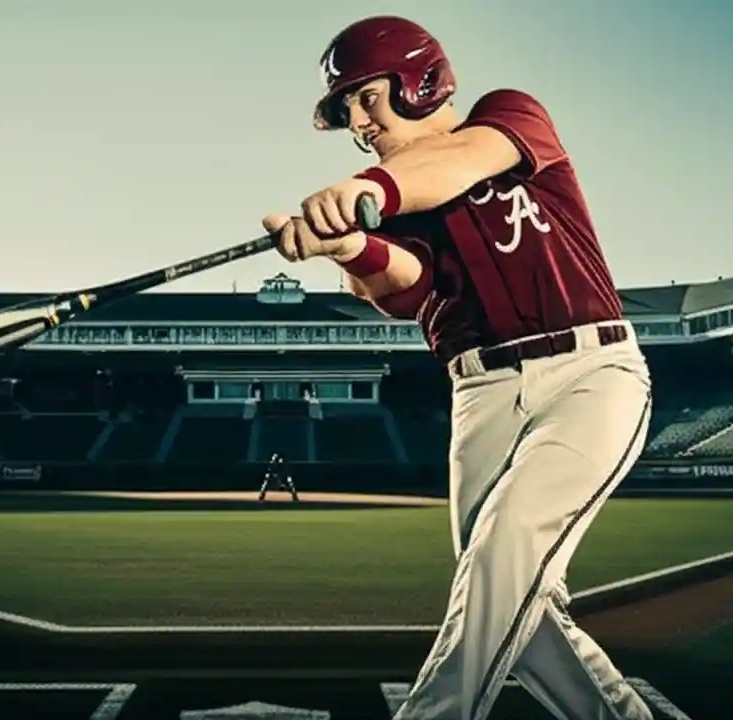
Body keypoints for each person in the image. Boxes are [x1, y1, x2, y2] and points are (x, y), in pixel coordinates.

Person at [262, 16, 655, 720]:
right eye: (346, 109)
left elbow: (453, 163)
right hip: (481, 393)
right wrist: (346, 246)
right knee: (514, 606)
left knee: (503, 556)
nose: (359, 120)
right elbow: (403, 286)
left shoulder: (507, 116)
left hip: (589, 375)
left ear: (418, 81)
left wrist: (365, 192)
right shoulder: (387, 199)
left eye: (366, 97)